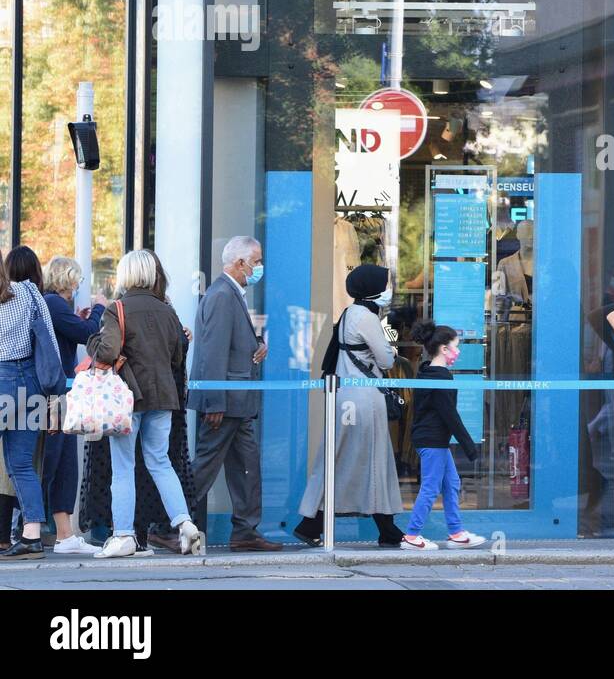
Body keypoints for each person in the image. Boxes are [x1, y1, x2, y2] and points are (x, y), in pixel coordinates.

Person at [86, 250, 203, 558]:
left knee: (123, 468)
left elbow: (107, 352)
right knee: (161, 463)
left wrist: (92, 341)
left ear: (125, 274)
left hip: (127, 399)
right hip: (163, 397)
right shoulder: (167, 311)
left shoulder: (117, 309)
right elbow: (177, 356)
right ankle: (185, 524)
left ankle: (123, 535)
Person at [295, 264, 404, 548]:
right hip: (365, 399)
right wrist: (392, 350)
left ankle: (315, 523)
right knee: (372, 461)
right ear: (373, 288)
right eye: (385, 284)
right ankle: (315, 524)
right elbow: (385, 360)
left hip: (345, 395)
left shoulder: (348, 314)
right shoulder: (366, 317)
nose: (388, 289)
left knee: (341, 459)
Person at [189, 235, 281, 551]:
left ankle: (245, 530)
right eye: (256, 261)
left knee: (247, 466)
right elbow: (210, 352)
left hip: (238, 401)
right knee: (205, 465)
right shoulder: (221, 296)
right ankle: (169, 522)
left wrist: (255, 346)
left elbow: (228, 346)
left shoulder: (231, 294)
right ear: (240, 263)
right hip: (225, 401)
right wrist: (214, 398)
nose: (259, 268)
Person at [40, 255, 105, 555]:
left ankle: (62, 532)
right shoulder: (53, 303)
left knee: (61, 460)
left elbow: (72, 333)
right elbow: (87, 334)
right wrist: (101, 308)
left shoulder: (53, 305)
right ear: (67, 279)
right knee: (60, 461)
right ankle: (60, 534)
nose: (79, 285)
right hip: (58, 396)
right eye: (77, 279)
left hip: (59, 394)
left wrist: (78, 317)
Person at [401, 322, 486, 550]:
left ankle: (456, 531)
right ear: (443, 349)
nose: (458, 352)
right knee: (430, 487)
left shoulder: (428, 371)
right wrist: (469, 445)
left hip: (433, 439)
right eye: (455, 347)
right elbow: (449, 414)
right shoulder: (440, 376)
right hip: (432, 440)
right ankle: (411, 535)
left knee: (452, 483)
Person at [0, 250, 58, 559]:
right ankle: (31, 536)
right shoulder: (29, 290)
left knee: (17, 464)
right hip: (33, 382)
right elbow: (47, 336)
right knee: (22, 464)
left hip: (2, 378)